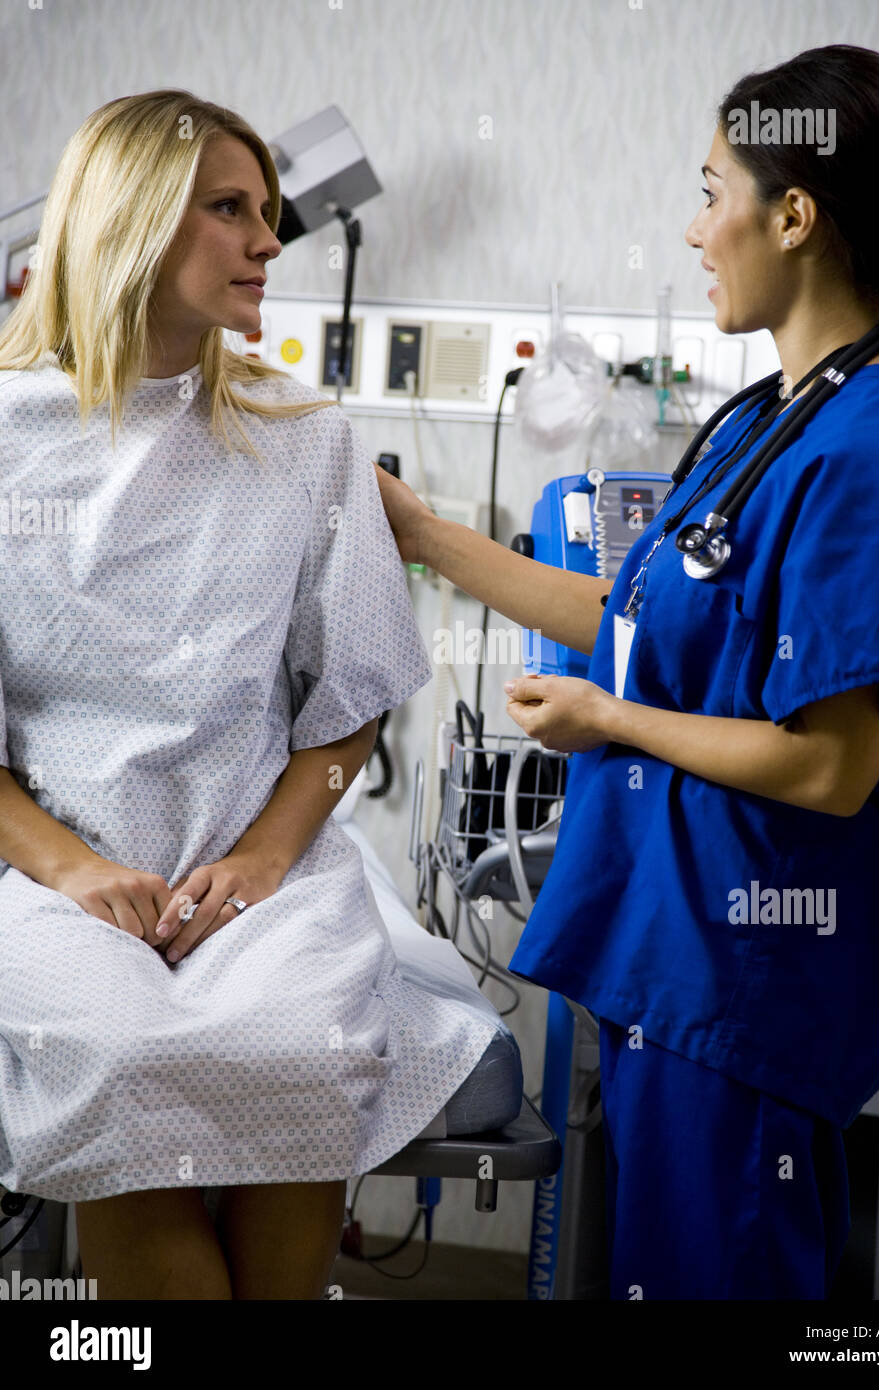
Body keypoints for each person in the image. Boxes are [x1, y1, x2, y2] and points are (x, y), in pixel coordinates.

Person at [374, 44, 879, 1299]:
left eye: (710, 191)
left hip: (746, 991)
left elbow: (831, 762)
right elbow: (631, 610)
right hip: (679, 960)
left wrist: (614, 722)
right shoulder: (767, 418)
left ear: (792, 215)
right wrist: (425, 539)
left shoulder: (868, 457)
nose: (693, 229)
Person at [0, 90, 497, 1300]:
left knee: (297, 1041)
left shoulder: (308, 440)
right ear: (130, 218)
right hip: (50, 862)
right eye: (232, 210)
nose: (271, 242)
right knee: (118, 1052)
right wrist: (73, 869)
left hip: (259, 862)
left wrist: (269, 858)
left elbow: (350, 705)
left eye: (269, 212)